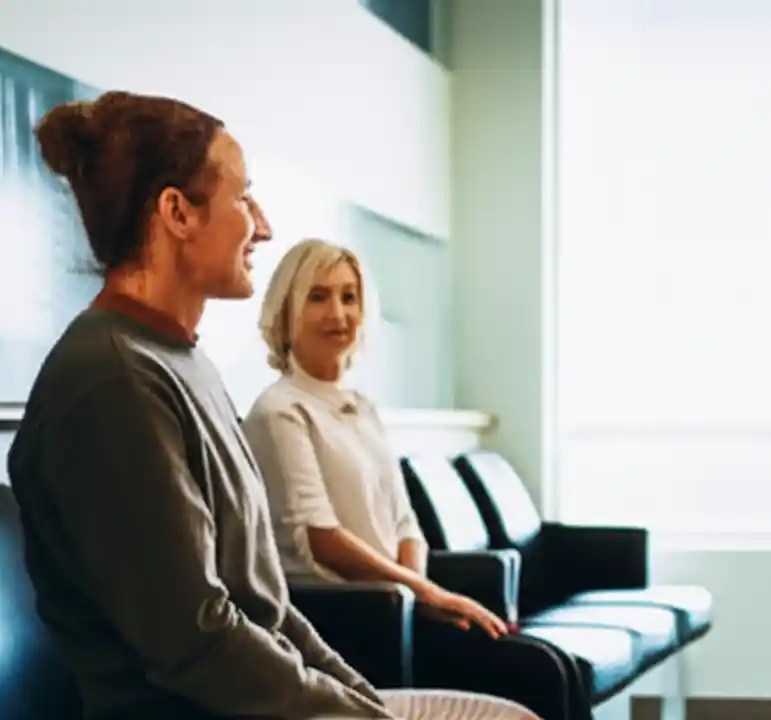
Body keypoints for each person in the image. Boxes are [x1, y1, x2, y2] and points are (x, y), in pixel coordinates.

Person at [6, 91, 538, 720]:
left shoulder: (180, 361)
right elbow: (198, 642)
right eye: (242, 196)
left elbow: (269, 607)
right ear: (177, 211)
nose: (262, 225)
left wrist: (362, 700)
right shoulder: (113, 383)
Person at [242, 239, 589, 720]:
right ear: (286, 311)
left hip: (396, 607)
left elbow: (406, 524)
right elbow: (320, 539)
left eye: (349, 296)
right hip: (346, 619)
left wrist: (419, 596)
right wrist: (427, 594)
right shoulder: (280, 410)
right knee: (539, 672)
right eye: (318, 297)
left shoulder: (362, 407)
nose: (338, 313)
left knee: (558, 663)